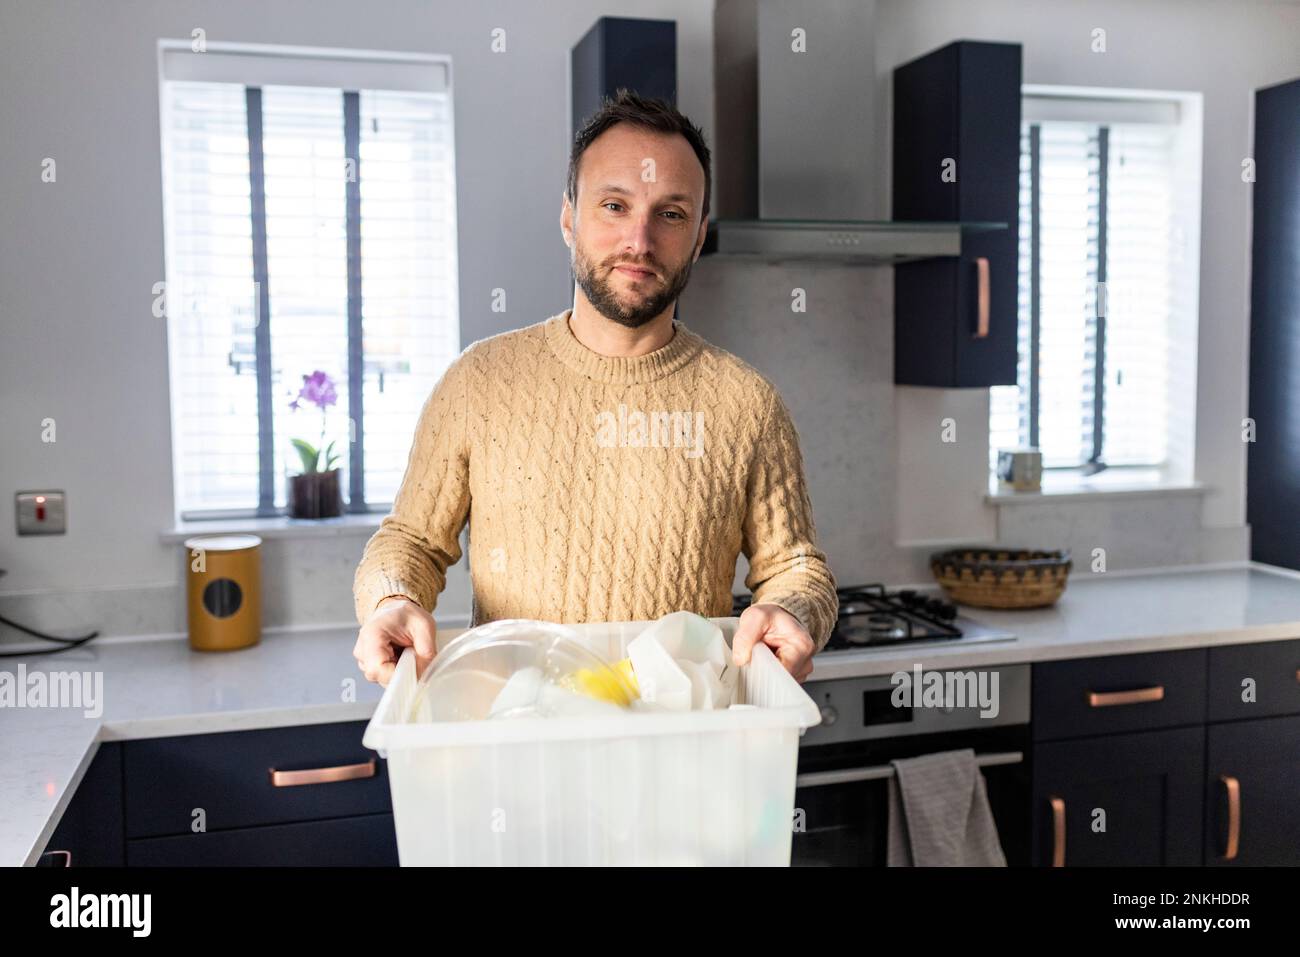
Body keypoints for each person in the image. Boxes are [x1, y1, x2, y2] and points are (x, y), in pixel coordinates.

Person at [352, 89, 838, 688]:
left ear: (699, 233)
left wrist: (793, 609)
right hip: (515, 747)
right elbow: (411, 541)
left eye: (671, 213)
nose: (639, 240)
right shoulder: (479, 383)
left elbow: (796, 567)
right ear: (568, 216)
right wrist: (389, 601)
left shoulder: (748, 405)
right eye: (614, 205)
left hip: (682, 755)